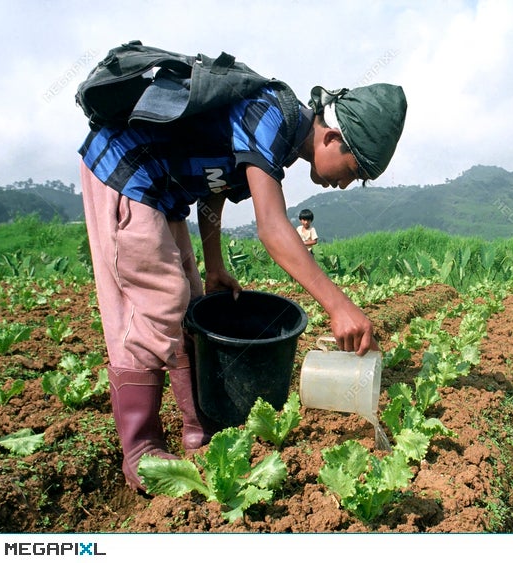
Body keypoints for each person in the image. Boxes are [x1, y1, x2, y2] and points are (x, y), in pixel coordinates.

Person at [77, 66, 407, 492]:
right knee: (161, 301)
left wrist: (213, 264)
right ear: (331, 137)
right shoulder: (271, 115)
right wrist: (340, 307)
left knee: (193, 306)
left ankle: (197, 429)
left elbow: (215, 187)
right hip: (125, 170)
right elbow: (272, 228)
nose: (344, 185)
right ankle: (140, 448)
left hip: (165, 193)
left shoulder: (280, 139)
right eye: (353, 169)